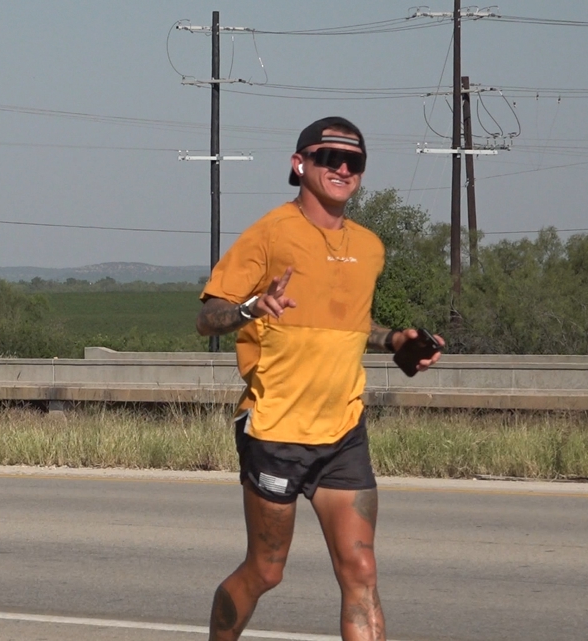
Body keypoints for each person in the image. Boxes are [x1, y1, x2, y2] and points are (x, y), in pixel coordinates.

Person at [196, 116, 444, 641]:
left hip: (343, 431)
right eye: (329, 157)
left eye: (354, 161)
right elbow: (207, 317)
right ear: (299, 164)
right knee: (266, 571)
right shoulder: (270, 233)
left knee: (362, 573)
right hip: (276, 429)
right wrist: (252, 306)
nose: (343, 168)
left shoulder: (370, 247)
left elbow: (352, 327)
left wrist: (396, 340)